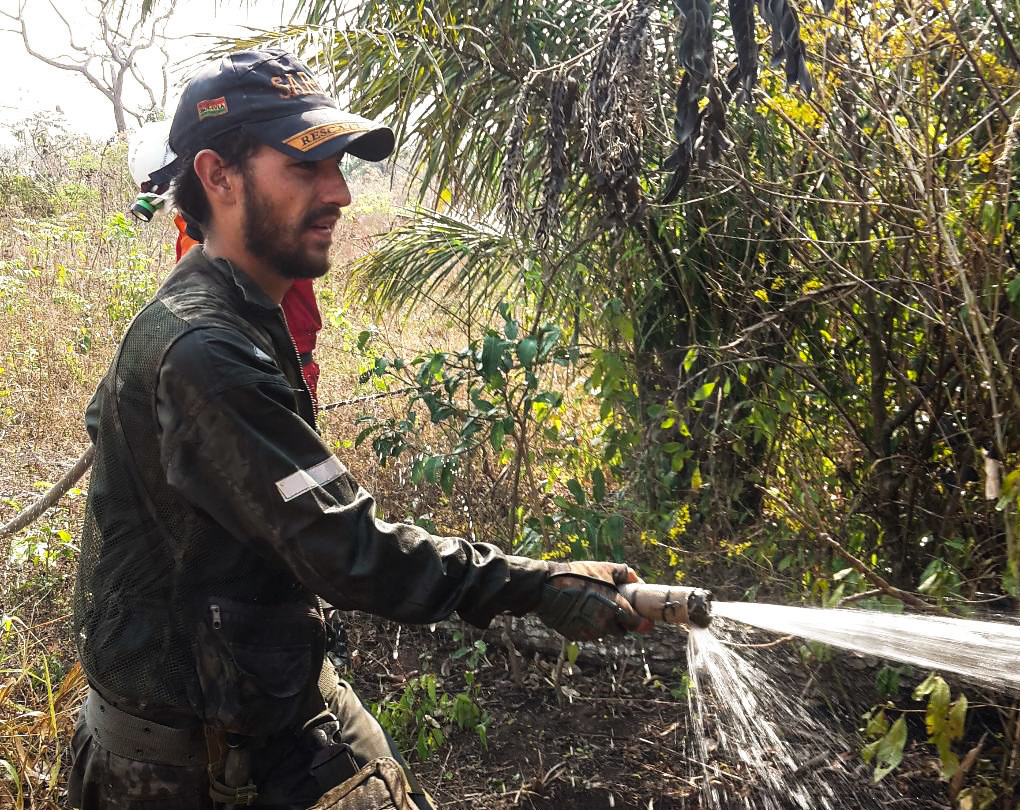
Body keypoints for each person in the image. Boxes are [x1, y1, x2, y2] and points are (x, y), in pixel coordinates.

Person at [70, 49, 651, 810]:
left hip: (261, 696)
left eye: (338, 165)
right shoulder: (206, 352)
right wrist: (540, 586)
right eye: (305, 168)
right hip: (193, 764)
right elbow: (349, 551)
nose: (339, 192)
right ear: (216, 175)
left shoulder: (223, 305)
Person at [127, 119, 324, 403]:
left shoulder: (245, 213)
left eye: (159, 187)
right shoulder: (193, 224)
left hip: (273, 365)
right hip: (238, 362)